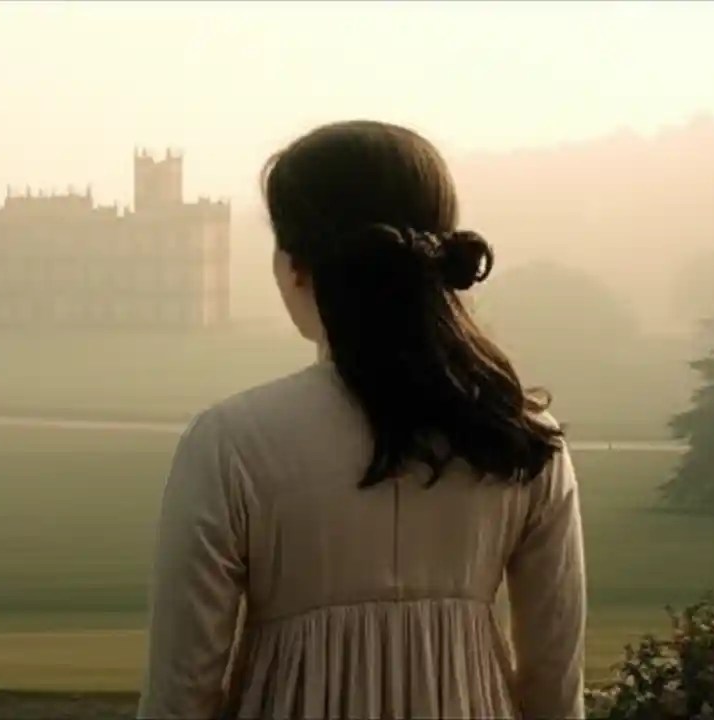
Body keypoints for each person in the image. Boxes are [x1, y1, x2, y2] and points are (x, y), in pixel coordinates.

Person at [138, 121, 586, 720]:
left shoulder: (230, 444)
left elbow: (181, 695)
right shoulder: (527, 441)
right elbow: (556, 691)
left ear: (295, 265)